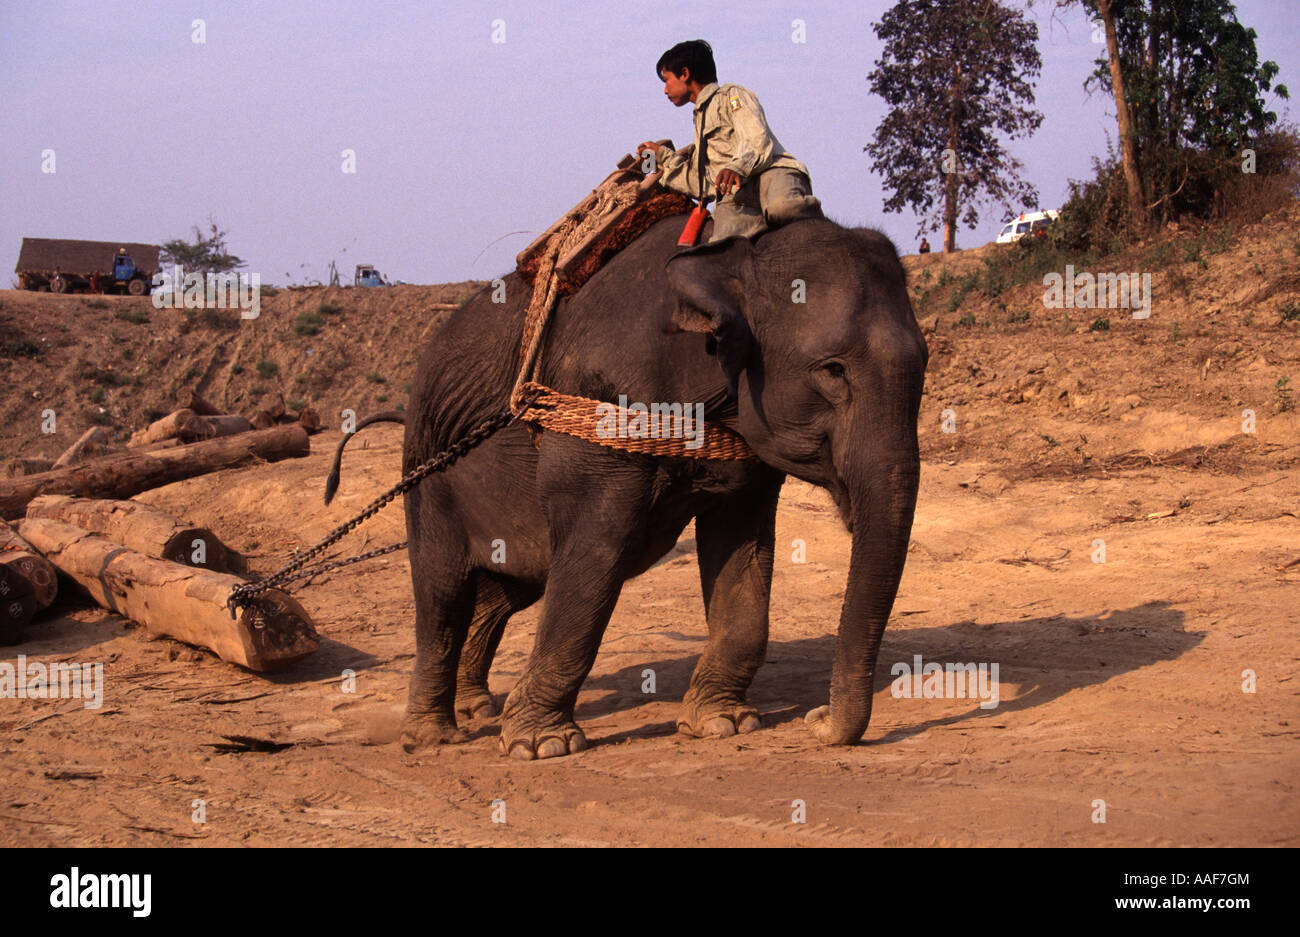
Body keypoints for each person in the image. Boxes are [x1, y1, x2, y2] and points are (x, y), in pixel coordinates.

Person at [638, 39, 821, 242]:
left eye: (667, 80)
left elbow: (757, 138)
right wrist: (661, 157)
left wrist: (737, 167)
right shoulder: (699, 122)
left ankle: (828, 238)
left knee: (783, 208)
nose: (665, 90)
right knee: (722, 248)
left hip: (769, 173)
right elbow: (701, 185)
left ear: (685, 74)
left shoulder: (732, 96)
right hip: (736, 196)